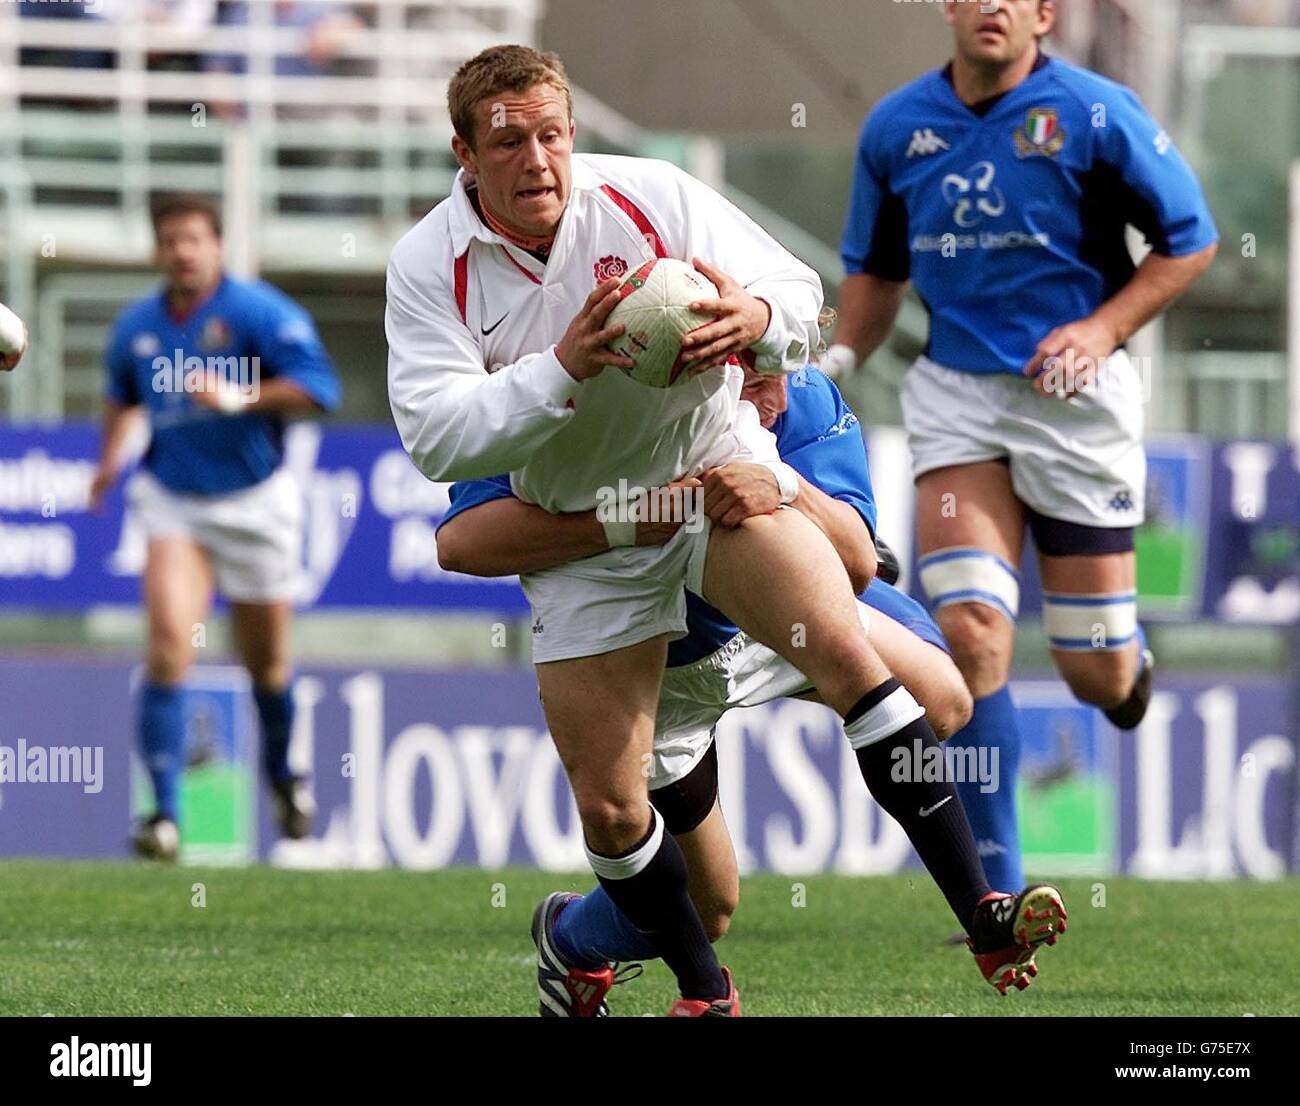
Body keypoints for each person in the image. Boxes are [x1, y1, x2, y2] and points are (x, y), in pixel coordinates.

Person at [388, 44, 1064, 1016]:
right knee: (635, 829)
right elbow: (438, 438)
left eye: (550, 135)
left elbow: (798, 302)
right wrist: (562, 369)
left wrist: (753, 314)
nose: (536, 159)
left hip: (706, 484)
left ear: (572, 134)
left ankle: (985, 911)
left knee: (857, 657)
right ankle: (695, 986)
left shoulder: (654, 198)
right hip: (609, 564)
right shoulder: (429, 269)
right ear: (465, 153)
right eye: (507, 141)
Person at [436, 363, 1069, 1013]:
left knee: (943, 697)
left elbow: (855, 556)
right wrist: (625, 521)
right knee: (709, 907)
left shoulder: (804, 393)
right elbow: (461, 542)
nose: (766, 397)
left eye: (777, 370)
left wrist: (785, 484)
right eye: (748, 373)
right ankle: (570, 939)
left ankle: (981, 907)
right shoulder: (568, 402)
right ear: (701, 362)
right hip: (662, 670)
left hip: (776, 619)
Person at [823, 0, 1218, 891]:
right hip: (959, 398)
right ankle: (995, 885)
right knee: (968, 638)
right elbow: (878, 274)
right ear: (949, 8)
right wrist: (837, 358)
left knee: (1093, 674)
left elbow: (1189, 242)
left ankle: (1126, 670)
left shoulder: (1096, 112)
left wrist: (1100, 329)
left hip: (1079, 401)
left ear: (1044, 13)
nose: (994, 4)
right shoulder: (896, 126)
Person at [90, 193, 342, 860]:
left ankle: (284, 778)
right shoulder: (137, 327)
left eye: (193, 239)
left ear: (217, 246)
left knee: (267, 666)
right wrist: (107, 465)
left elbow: (322, 387)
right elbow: (121, 399)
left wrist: (244, 397)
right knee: (171, 643)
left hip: (256, 503)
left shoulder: (258, 312)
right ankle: (164, 818)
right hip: (173, 499)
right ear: (156, 250)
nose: (182, 251)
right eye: (170, 240)